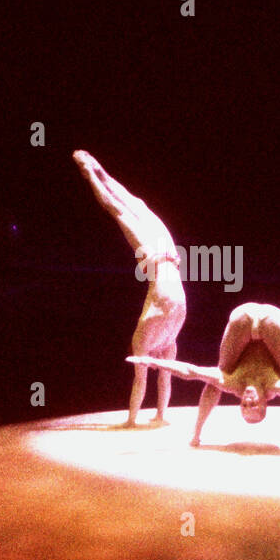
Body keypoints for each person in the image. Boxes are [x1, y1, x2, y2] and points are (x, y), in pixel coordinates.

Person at [127, 302, 280, 453]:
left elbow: (190, 371)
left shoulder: (231, 382)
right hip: (273, 322)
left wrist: (151, 361)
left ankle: (195, 434)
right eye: (254, 405)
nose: (248, 400)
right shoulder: (279, 385)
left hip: (241, 319)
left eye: (244, 405)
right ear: (265, 402)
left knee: (214, 377)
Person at [74, 150, 187, 425]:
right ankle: (96, 170)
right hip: (174, 293)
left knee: (123, 209)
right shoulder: (165, 342)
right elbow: (163, 375)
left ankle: (135, 418)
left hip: (168, 285)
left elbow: (147, 375)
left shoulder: (148, 338)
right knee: (134, 205)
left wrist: (160, 259)